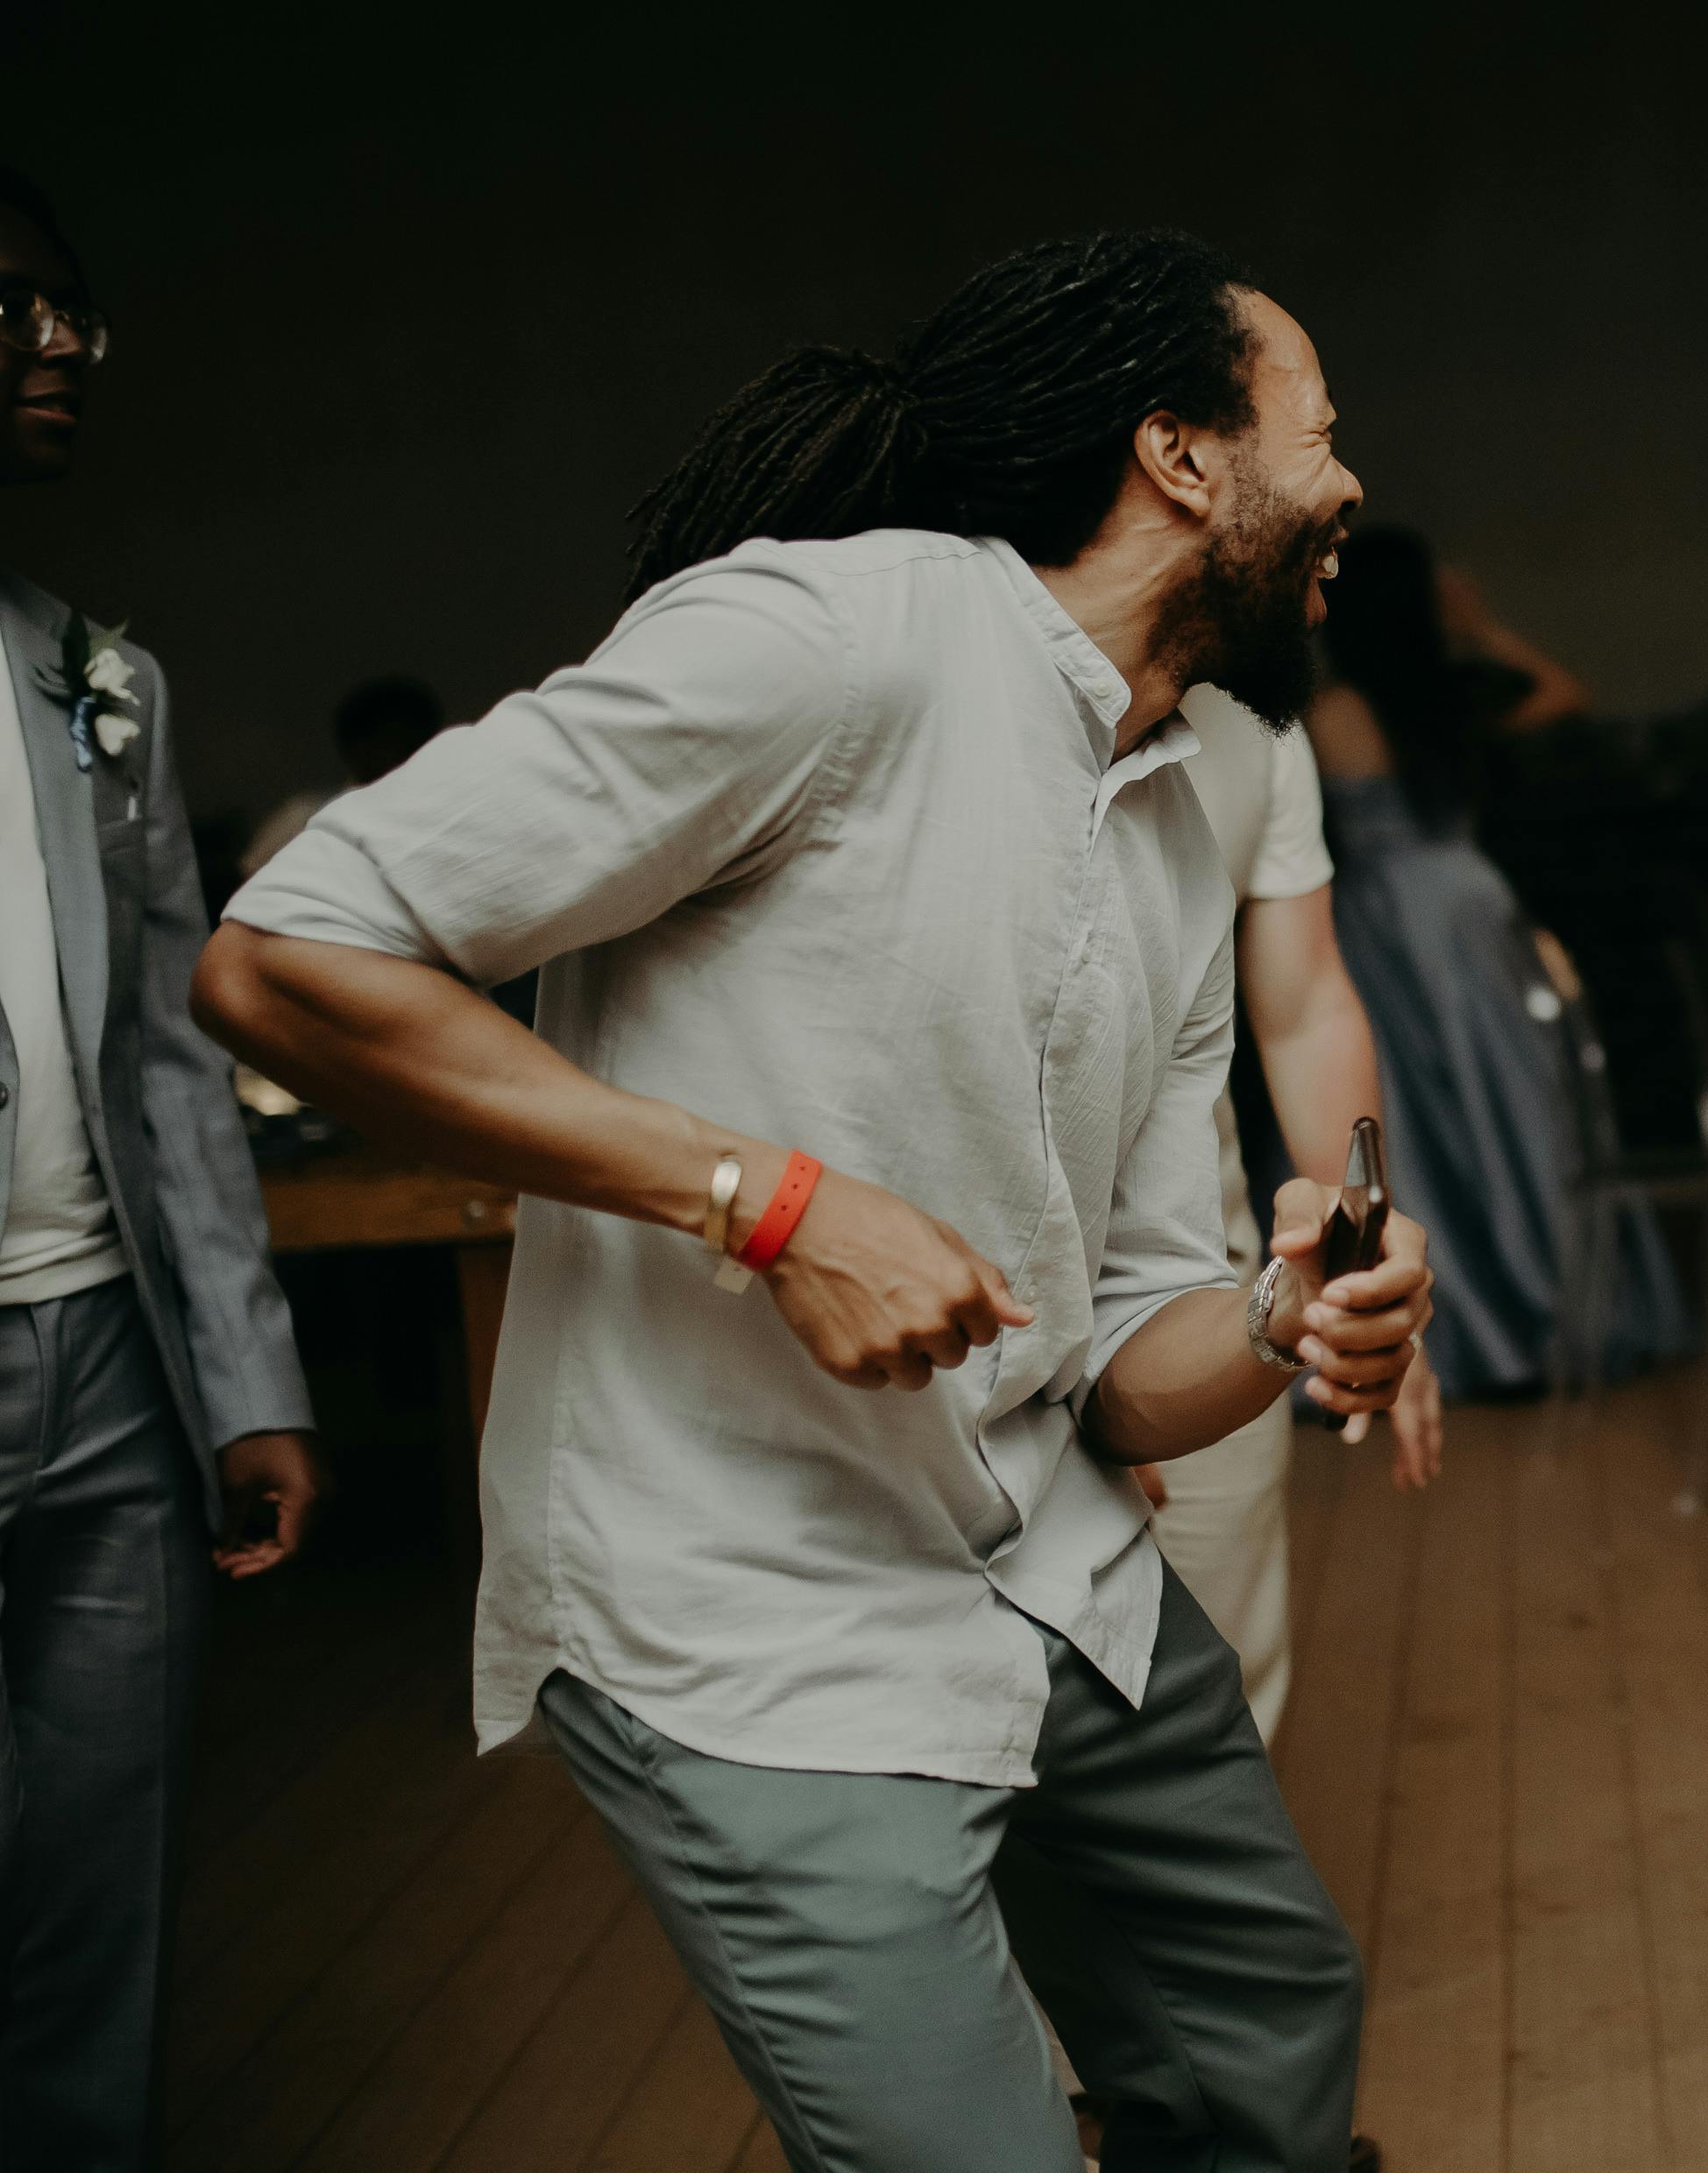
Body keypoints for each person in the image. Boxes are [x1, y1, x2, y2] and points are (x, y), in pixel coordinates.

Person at [202, 230, 1434, 2173]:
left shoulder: (1197, 788)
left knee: (1268, 2048)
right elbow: (287, 956)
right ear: (1184, 456)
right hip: (747, 1609)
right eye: (1321, 426)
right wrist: (765, 1200)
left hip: (1057, 1565)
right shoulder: (831, 636)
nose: (1354, 481)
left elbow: (1116, 1361)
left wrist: (1286, 1316)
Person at [0, 166, 324, 2168]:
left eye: (74, 315)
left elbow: (170, 1058)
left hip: (110, 1363)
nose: (61, 351)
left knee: (91, 1891)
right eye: (11, 308)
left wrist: (249, 1376)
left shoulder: (91, 679)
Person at [1306, 525, 1683, 1399]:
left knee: (1431, 1125)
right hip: (1471, 903)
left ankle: (1487, 1326)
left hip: (1389, 916)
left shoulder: (1336, 706)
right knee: (1516, 1103)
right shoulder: (1444, 694)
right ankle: (1557, 1308)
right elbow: (1566, 691)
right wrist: (1479, 634)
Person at [1152, 695, 1442, 1752]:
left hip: (1207, 1288)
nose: (1346, 520)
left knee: (1214, 1709)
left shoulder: (1257, 724)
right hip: (954, 1322)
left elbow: (1307, 1003)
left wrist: (1369, 1288)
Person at [244, 673, 444, 874]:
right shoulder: (302, 818)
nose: (393, 758)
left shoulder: (445, 814)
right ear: (354, 748)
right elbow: (253, 880)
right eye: (381, 745)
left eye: (407, 744)